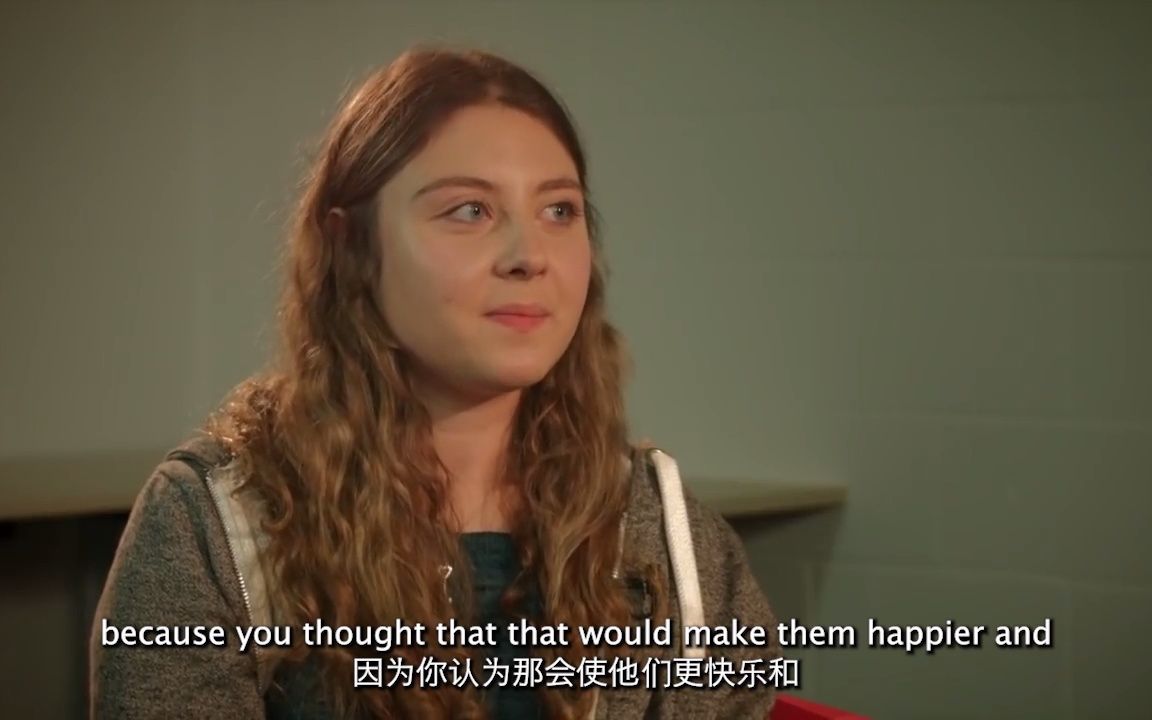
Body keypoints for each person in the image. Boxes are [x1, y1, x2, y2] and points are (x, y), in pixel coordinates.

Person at [89, 47, 780, 719]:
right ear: (351, 245)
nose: (529, 256)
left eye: (559, 211)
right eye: (470, 210)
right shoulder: (213, 524)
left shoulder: (662, 532)